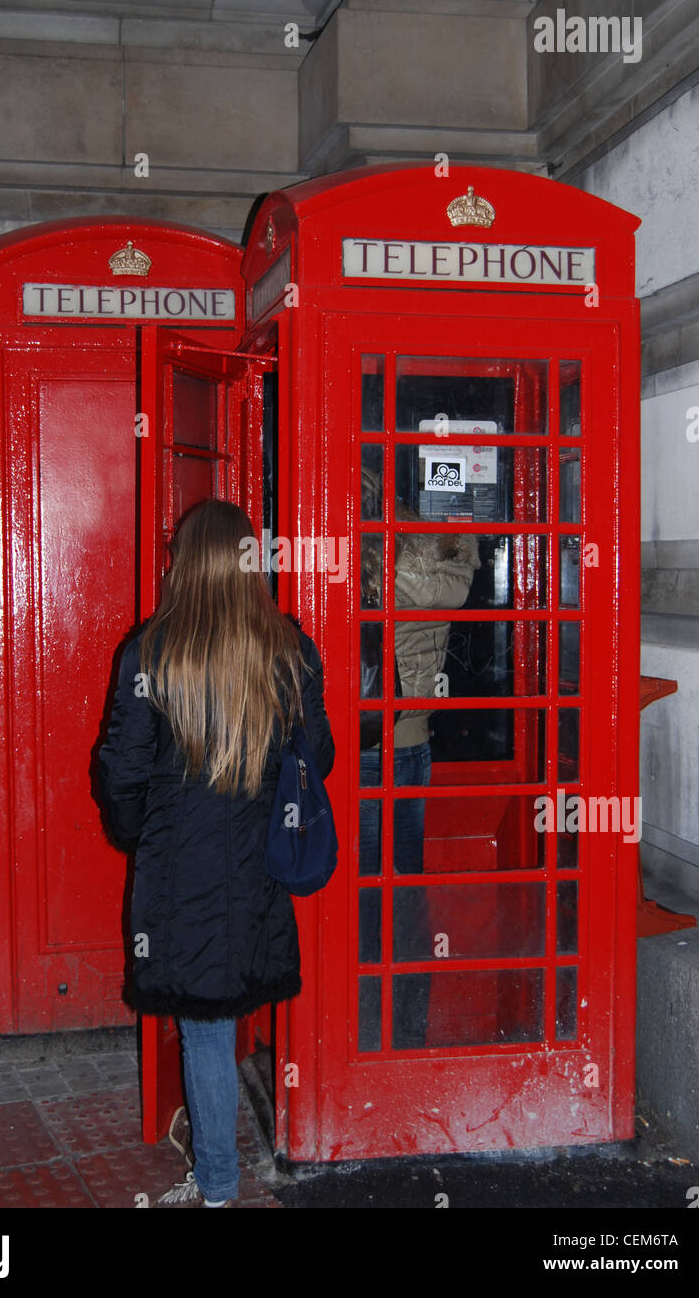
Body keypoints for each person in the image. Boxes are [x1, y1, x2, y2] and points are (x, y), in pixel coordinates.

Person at [97, 499, 334, 1206]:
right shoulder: (287, 647)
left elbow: (121, 773)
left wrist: (145, 833)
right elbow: (318, 754)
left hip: (178, 872)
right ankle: (218, 1173)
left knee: (203, 1029)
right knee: (218, 1020)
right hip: (255, 865)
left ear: (186, 563)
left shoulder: (149, 652)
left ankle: (220, 1185)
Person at [360, 479, 480, 1048]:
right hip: (413, 741)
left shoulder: (369, 556)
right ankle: (407, 1031)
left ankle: (366, 1033)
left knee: (363, 898)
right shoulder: (439, 546)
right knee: (404, 893)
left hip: (364, 748)